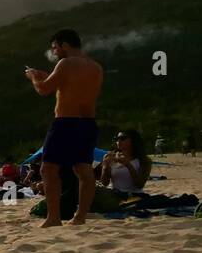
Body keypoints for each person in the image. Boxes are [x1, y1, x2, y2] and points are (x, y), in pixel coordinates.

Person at [24, 29, 104, 227]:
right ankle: (80, 216)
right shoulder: (95, 67)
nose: (54, 53)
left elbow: (43, 89)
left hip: (66, 122)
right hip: (88, 122)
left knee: (48, 168)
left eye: (55, 48)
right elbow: (69, 86)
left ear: (65, 45)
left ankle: (54, 217)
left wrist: (33, 76)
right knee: (83, 169)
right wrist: (47, 75)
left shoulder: (66, 63)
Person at [99, 129, 152, 194]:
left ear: (133, 140)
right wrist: (105, 167)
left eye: (123, 138)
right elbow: (105, 183)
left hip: (134, 195)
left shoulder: (144, 160)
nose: (119, 141)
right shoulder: (110, 156)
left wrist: (128, 165)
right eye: (117, 139)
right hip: (115, 194)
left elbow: (139, 185)